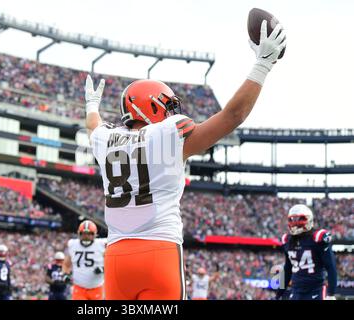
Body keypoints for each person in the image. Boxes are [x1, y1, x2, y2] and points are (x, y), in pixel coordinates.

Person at [85, 20, 287, 300]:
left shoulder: (104, 139)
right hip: (159, 250)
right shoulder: (168, 133)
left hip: (117, 254)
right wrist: (263, 65)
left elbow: (93, 126)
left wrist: (91, 106)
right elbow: (232, 116)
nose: (170, 113)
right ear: (150, 104)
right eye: (166, 106)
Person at [276, 204, 337, 300]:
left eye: (300, 219)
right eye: (293, 220)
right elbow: (287, 269)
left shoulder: (317, 238)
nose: (295, 223)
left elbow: (331, 266)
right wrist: (278, 294)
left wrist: (331, 293)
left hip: (315, 290)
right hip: (296, 291)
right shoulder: (287, 240)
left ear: (309, 220)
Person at [63, 220, 106, 300]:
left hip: (97, 287)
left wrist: (103, 269)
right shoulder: (73, 244)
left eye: (89, 234)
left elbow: (112, 263)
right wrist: (65, 274)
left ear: (95, 234)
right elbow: (66, 264)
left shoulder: (102, 244)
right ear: (79, 233)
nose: (86, 236)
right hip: (79, 287)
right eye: (84, 233)